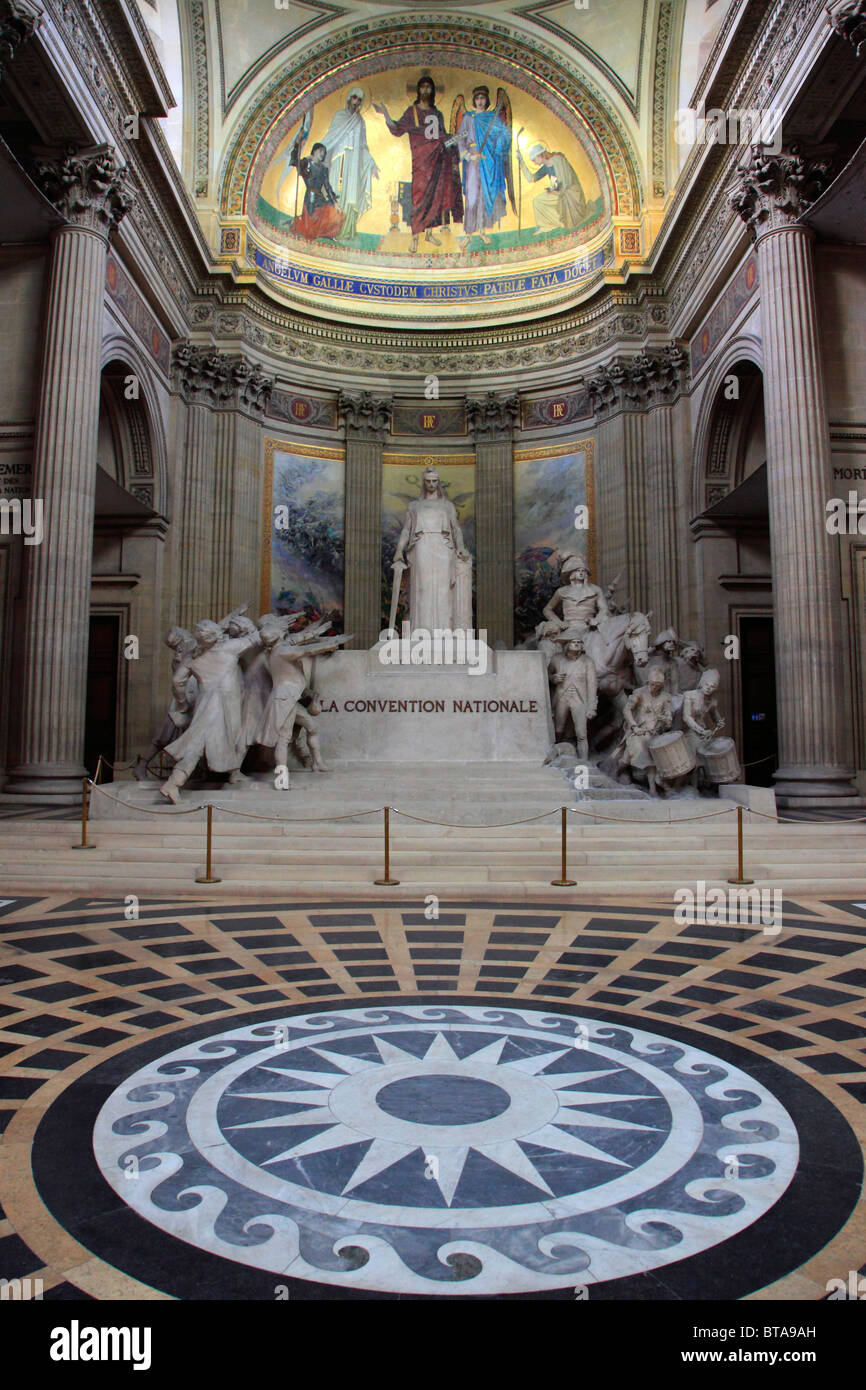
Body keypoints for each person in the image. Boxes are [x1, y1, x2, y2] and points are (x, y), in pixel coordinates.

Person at [160, 617, 261, 804]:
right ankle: (174, 783)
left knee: (222, 738)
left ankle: (233, 771)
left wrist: (182, 704)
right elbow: (258, 637)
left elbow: (177, 682)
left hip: (206, 701)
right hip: (224, 704)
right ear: (216, 635)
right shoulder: (230, 647)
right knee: (200, 742)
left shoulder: (192, 656)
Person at [373, 76, 463, 253]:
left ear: (433, 91)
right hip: (421, 162)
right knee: (419, 198)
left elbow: (442, 136)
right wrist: (385, 113)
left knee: (435, 198)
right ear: (418, 90)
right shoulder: (412, 111)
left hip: (437, 161)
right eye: (423, 87)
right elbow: (397, 128)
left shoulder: (437, 114)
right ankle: (415, 237)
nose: (426, 90)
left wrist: (457, 138)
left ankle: (429, 234)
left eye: (429, 87)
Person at [392, 466, 472, 630]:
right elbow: (406, 530)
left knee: (444, 589)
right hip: (421, 545)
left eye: (434, 481)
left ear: (438, 483)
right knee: (422, 587)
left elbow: (456, 528)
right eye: (428, 481)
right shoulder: (414, 506)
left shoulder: (447, 505)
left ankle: (444, 629)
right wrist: (399, 550)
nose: (431, 484)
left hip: (443, 546)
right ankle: (420, 629)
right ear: (423, 483)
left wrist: (461, 547)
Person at [133, 626, 197, 780]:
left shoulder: (185, 655)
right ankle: (142, 765)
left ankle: (194, 771)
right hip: (183, 702)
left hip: (194, 698)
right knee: (164, 735)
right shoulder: (181, 659)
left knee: (192, 735)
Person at [320, 87, 379, 243]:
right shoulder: (340, 116)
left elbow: (363, 146)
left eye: (360, 100)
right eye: (354, 98)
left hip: (353, 163)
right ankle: (330, 228)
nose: (357, 102)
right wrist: (316, 155)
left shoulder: (360, 121)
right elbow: (330, 137)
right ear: (348, 98)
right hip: (339, 159)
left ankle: (345, 231)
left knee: (350, 193)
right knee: (335, 191)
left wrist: (371, 164)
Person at [455, 86, 512, 247]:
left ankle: (482, 231)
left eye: (483, 98)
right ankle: (468, 234)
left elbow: (504, 134)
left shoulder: (492, 117)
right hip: (473, 161)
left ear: (487, 100)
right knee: (472, 197)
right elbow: (460, 140)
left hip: (489, 160)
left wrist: (499, 144)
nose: (480, 101)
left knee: (484, 197)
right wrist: (468, 155)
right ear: (474, 100)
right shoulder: (468, 118)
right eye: (478, 98)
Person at [616, 666, 672, 797]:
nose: (655, 688)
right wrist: (634, 726)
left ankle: (653, 788)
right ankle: (618, 770)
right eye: (653, 684)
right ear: (648, 682)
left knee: (650, 755)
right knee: (627, 757)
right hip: (637, 731)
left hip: (653, 732)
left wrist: (665, 719)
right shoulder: (639, 693)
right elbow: (627, 710)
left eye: (658, 685)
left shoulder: (665, 697)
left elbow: (669, 718)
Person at [517, 142, 586, 236]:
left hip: (570, 192)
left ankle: (563, 221)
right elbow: (531, 178)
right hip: (558, 192)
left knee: (553, 199)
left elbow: (566, 179)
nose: (534, 162)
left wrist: (556, 190)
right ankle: (546, 226)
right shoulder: (545, 167)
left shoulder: (558, 159)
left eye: (534, 159)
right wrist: (521, 162)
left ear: (540, 155)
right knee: (537, 201)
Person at [550, 635, 597, 760]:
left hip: (579, 698)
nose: (576, 644)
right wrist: (553, 678)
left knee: (581, 734)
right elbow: (545, 675)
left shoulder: (588, 661)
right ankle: (554, 757)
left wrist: (592, 707)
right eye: (573, 642)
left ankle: (584, 762)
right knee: (557, 730)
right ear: (567, 645)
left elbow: (592, 686)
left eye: (578, 642)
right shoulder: (557, 659)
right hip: (562, 696)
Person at [542, 554, 610, 638]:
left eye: (583, 570)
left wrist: (596, 620)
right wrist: (559, 623)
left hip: (590, 627)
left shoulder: (595, 590)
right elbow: (547, 609)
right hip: (569, 628)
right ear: (572, 572)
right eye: (578, 570)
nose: (581, 573)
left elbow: (604, 609)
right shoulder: (562, 591)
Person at [291, 142, 343, 241]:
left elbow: (327, 187)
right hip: (311, 197)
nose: (322, 154)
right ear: (314, 151)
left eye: (324, 152)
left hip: (320, 197)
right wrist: (297, 145)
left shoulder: (324, 169)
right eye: (321, 151)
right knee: (310, 225)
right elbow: (294, 161)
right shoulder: (306, 164)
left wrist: (335, 203)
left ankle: (328, 233)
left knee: (334, 212)